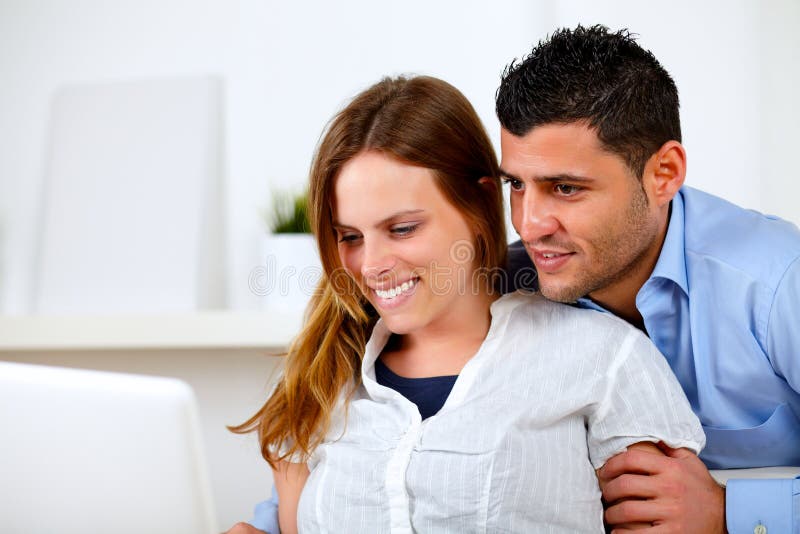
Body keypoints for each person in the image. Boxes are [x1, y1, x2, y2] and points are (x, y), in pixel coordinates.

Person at [226, 75, 704, 533]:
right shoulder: (318, 381)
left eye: (402, 229)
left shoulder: (604, 360)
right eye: (350, 236)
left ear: (478, 206)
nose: (370, 265)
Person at [495, 25, 800, 532]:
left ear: (664, 174)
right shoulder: (504, 290)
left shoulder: (778, 282)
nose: (529, 225)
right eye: (516, 185)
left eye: (566, 188)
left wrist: (731, 511)